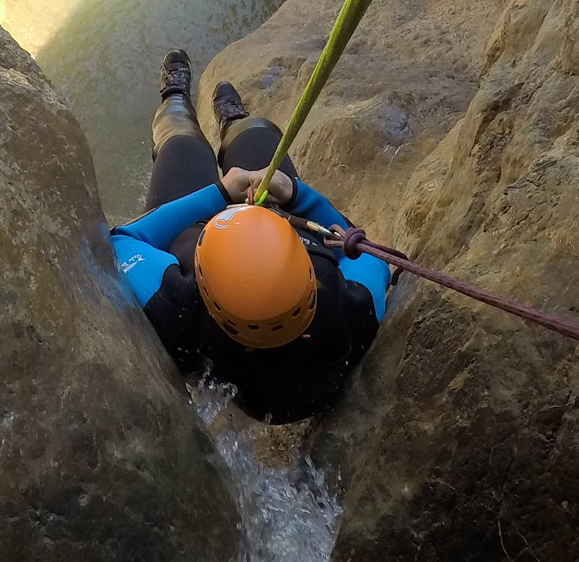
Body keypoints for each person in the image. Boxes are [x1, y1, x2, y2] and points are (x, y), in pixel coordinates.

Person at [111, 50, 391, 423]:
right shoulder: (347, 310)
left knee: (181, 146)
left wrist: (221, 194)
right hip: (273, 341)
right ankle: (234, 122)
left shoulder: (175, 304)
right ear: (309, 279)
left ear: (203, 290)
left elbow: (122, 240)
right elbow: (370, 256)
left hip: (191, 230)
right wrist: (294, 195)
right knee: (259, 137)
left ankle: (174, 100)